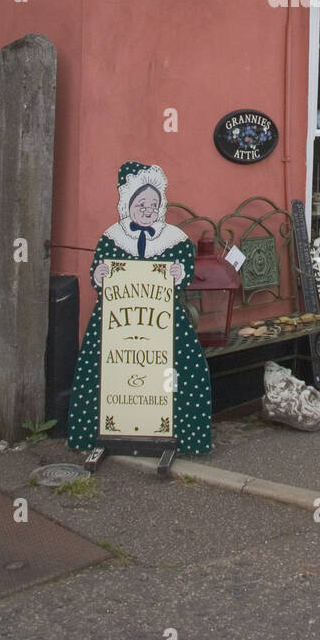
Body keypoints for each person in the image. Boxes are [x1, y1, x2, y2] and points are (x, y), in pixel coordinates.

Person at [67, 161, 212, 454]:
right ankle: (104, 432)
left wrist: (178, 274)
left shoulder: (174, 240)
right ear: (128, 203)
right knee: (104, 366)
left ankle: (180, 435)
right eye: (141, 202)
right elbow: (99, 272)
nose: (147, 208)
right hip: (117, 318)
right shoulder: (112, 237)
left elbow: (185, 269)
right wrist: (99, 275)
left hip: (163, 317)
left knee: (181, 366)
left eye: (153, 203)